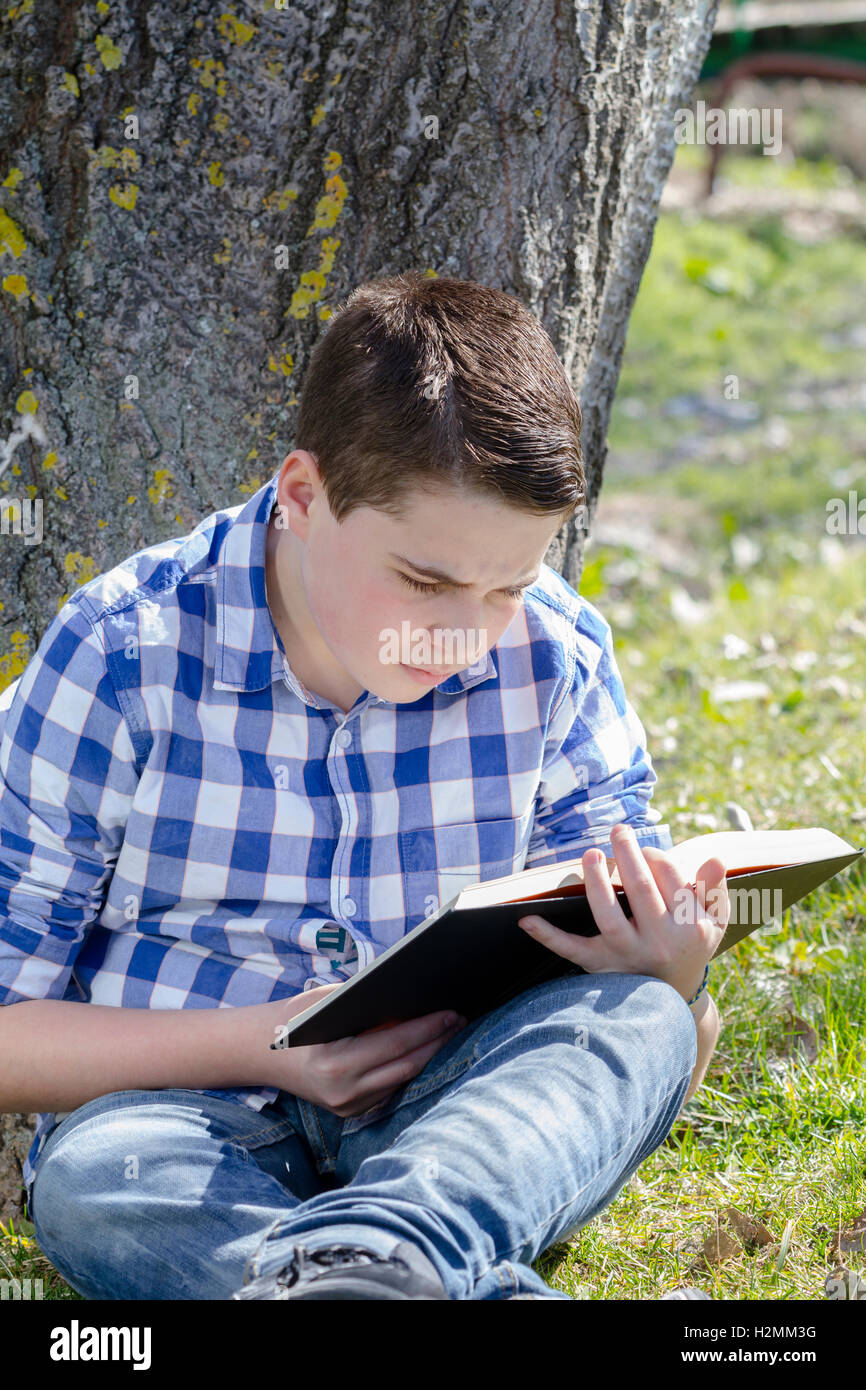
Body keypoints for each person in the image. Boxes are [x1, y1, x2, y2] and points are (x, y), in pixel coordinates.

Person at [0, 272, 724, 1301]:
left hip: (455, 1120)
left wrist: (668, 971)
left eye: (507, 587)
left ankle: (383, 1256)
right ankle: (412, 1274)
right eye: (426, 582)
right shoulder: (124, 656)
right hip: (188, 1121)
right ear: (301, 496)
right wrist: (272, 1044)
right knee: (90, 1182)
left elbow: (634, 1028)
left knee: (639, 1022)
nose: (463, 633)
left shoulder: (553, 655)